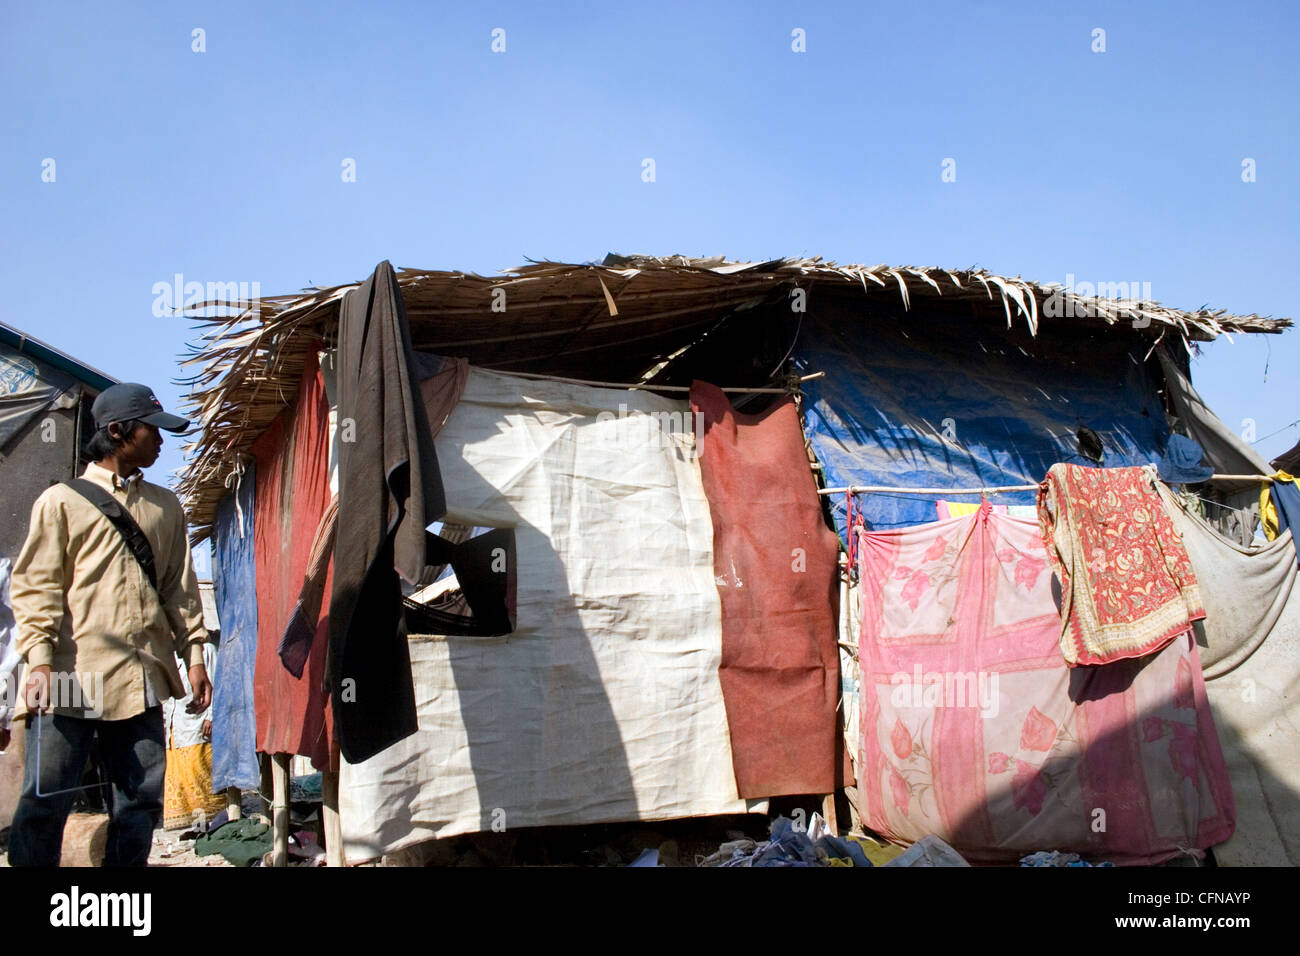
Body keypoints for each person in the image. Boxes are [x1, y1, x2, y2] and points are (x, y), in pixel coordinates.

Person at [7, 383, 211, 867]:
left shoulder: (166, 506)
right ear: (117, 431)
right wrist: (37, 664)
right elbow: (37, 589)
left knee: (139, 803)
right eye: (152, 430)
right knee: (45, 802)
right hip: (69, 676)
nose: (162, 441)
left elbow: (180, 590)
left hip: (140, 677)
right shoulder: (60, 501)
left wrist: (196, 656)